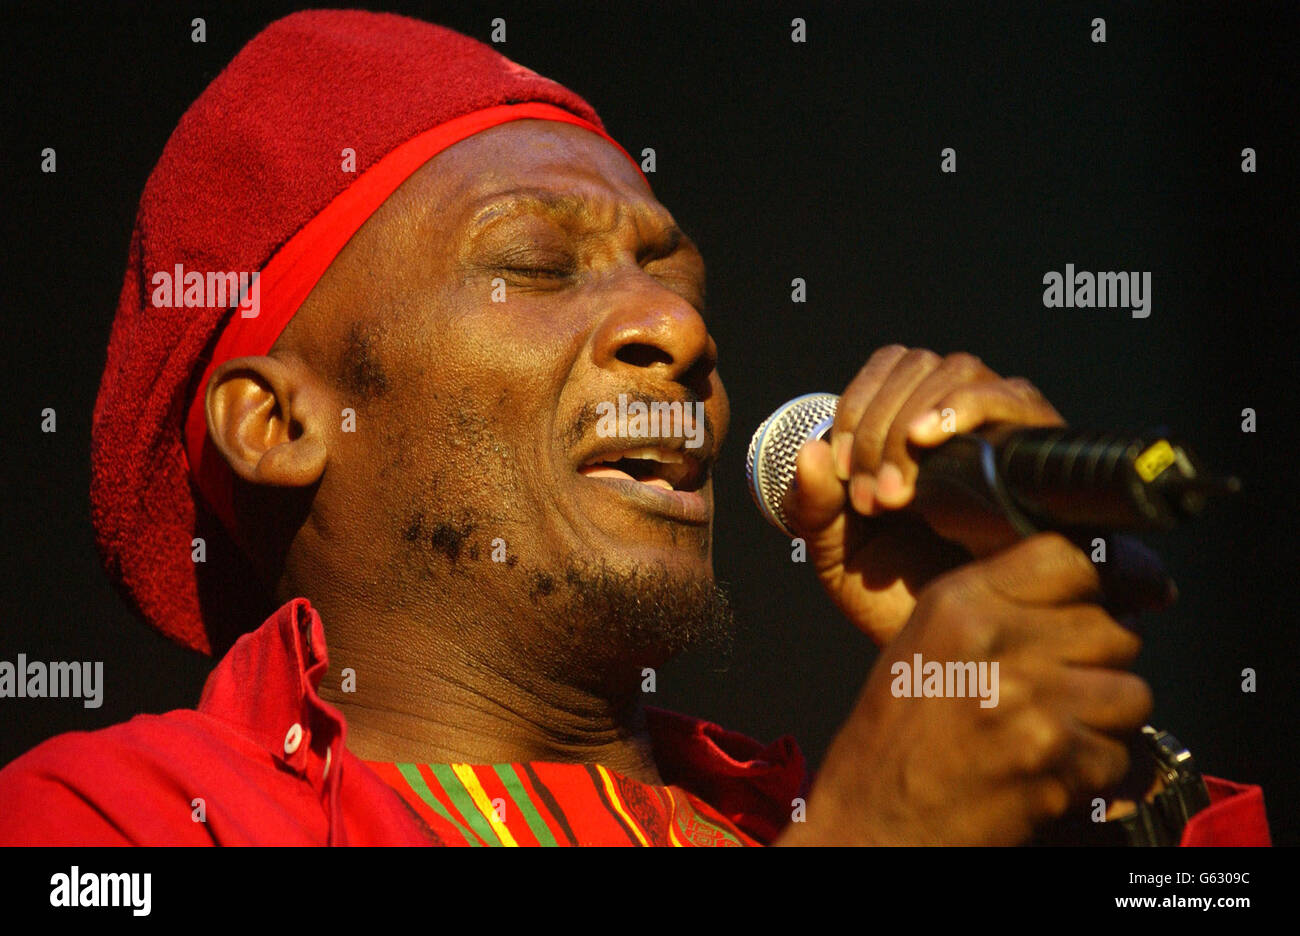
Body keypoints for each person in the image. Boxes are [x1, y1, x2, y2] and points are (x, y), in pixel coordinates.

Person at [0, 10, 1268, 846]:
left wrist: (1101, 778)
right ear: (279, 422)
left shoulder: (782, 816)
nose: (676, 326)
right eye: (539, 267)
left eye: (680, 281)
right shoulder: (109, 826)